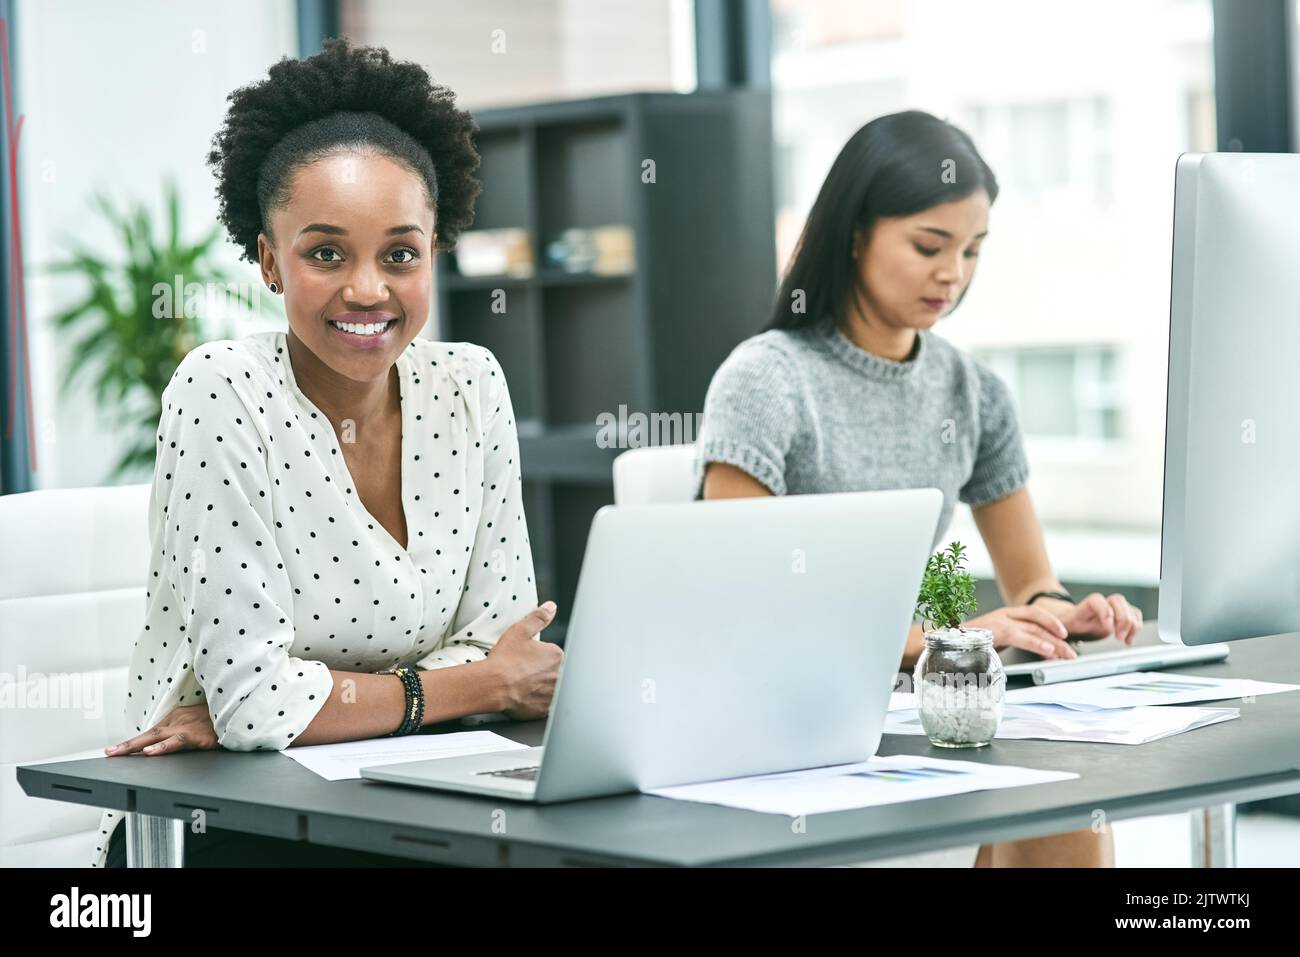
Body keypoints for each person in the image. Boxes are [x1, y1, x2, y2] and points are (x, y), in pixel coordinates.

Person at [94, 38, 561, 868]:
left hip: (420, 793)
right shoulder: (223, 393)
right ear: (270, 261)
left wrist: (315, 700)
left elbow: (503, 642)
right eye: (325, 252)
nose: (368, 289)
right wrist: (466, 686)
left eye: (400, 253)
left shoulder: (470, 386)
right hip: (236, 819)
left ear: (434, 253)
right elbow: (257, 705)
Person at [695, 110, 1142, 867]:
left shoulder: (973, 391)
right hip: (784, 711)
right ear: (856, 233)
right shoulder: (767, 379)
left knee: (1073, 797)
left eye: (972, 250)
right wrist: (958, 640)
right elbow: (758, 608)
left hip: (912, 697)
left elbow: (1032, 582)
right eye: (930, 246)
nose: (954, 274)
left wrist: (1067, 616)